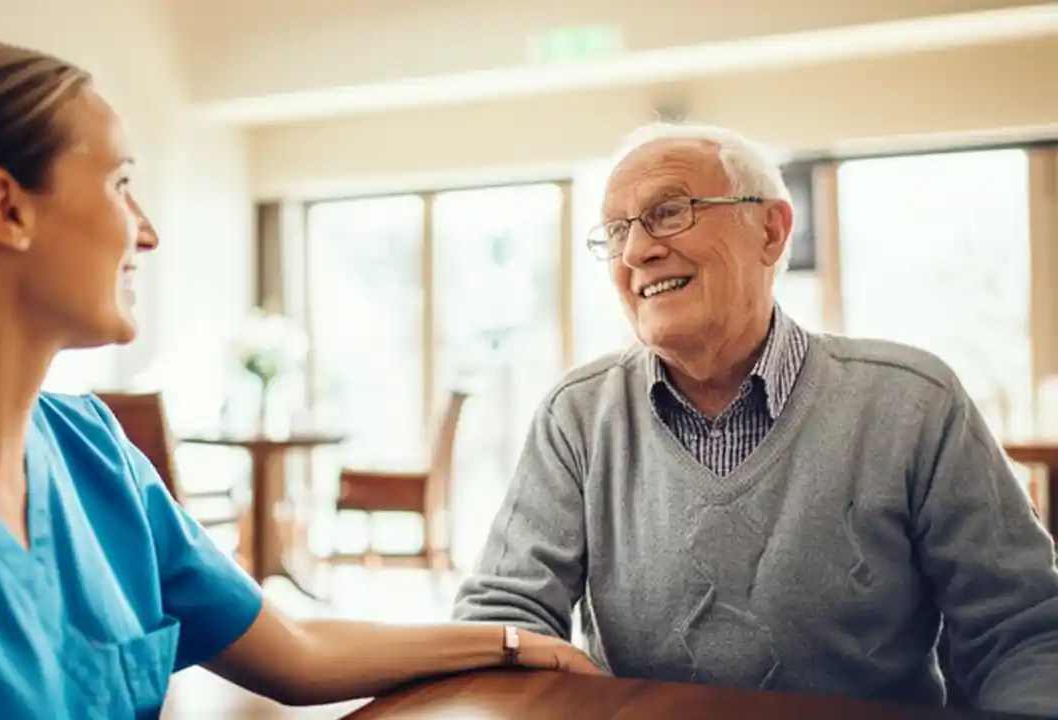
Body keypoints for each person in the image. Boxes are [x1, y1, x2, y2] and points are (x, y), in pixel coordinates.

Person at [0, 37, 602, 719]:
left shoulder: (90, 450)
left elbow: (296, 650)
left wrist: (512, 642)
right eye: (120, 184)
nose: (149, 232)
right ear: (7, 209)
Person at [452, 122, 1058, 717]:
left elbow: (1023, 632)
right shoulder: (577, 417)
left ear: (771, 230)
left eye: (670, 212)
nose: (637, 250)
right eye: (616, 231)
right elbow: (502, 619)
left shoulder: (915, 402)